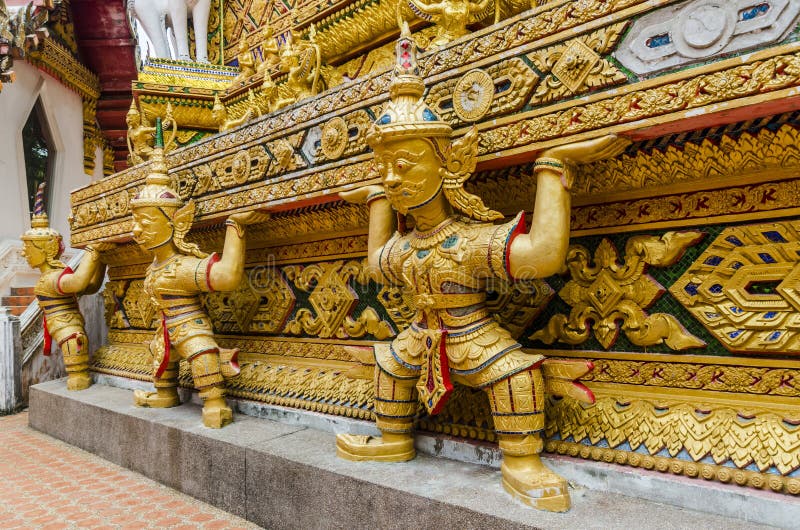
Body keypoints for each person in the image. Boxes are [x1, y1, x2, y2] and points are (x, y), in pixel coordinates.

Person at [336, 26, 627, 511]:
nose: (392, 179)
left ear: (447, 163)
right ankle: (392, 437)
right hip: (418, 335)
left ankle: (522, 460)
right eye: (383, 170)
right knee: (388, 362)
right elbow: (376, 263)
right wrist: (375, 200)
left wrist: (551, 166)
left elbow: (542, 256)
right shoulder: (405, 248)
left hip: (471, 334)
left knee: (516, 375)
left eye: (404, 165)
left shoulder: (469, 240)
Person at [129, 119, 268, 428]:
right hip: (166, 330)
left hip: (190, 327)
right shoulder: (156, 266)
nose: (135, 231)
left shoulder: (181, 267)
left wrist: (234, 225)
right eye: (135, 223)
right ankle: (165, 392)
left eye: (145, 224)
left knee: (202, 353)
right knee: (159, 353)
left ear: (176, 224)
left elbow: (227, 276)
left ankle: (215, 402)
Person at [21, 183, 111, 391]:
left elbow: (87, 285)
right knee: (77, 374)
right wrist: (96, 254)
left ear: (45, 250)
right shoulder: (51, 278)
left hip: (70, 331)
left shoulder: (53, 278)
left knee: (78, 374)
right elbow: (85, 284)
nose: (24, 252)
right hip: (67, 329)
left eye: (28, 247)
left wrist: (97, 253)